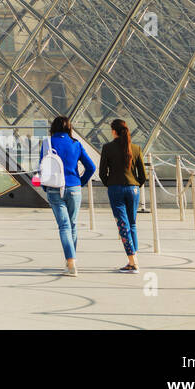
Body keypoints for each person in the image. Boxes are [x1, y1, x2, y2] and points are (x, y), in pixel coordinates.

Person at [42, 115, 96, 276]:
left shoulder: (48, 143)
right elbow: (91, 167)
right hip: (74, 188)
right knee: (72, 225)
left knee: (64, 226)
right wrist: (81, 182)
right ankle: (70, 261)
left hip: (54, 188)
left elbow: (42, 167)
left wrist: (45, 188)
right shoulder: (76, 144)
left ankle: (71, 262)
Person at [98, 118, 146, 273]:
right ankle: (133, 259)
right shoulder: (136, 148)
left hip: (115, 188)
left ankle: (133, 263)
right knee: (131, 225)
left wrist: (110, 183)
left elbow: (102, 173)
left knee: (123, 225)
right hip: (133, 189)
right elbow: (143, 175)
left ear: (113, 131)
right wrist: (135, 184)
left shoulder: (107, 148)